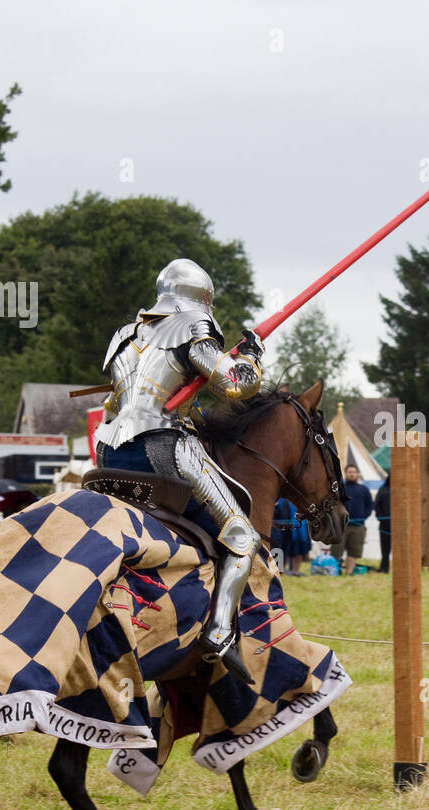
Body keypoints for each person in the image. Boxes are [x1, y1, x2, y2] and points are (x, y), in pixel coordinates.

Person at [93, 258, 265, 685]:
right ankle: (221, 631)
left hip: (109, 449)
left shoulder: (126, 334)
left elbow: (113, 405)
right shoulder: (192, 325)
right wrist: (251, 357)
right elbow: (235, 385)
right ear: (203, 298)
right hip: (161, 444)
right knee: (241, 534)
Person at [331, 464, 373, 575]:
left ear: (357, 474)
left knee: (354, 551)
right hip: (340, 526)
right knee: (336, 550)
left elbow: (369, 506)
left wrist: (363, 517)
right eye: (350, 472)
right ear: (345, 473)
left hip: (358, 526)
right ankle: (336, 571)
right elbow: (333, 505)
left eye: (354, 472)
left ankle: (349, 572)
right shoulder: (340, 489)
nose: (352, 474)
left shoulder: (364, 490)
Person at [373, 471, 391, 573]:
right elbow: (377, 505)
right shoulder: (383, 489)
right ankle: (384, 568)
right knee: (385, 550)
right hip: (384, 525)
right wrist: (381, 518)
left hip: (400, 525)